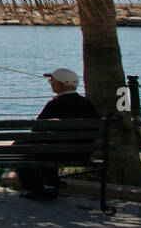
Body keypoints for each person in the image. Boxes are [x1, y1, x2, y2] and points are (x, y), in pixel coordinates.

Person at [17, 67, 98, 200]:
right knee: (47, 148)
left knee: (22, 147)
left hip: (56, 152)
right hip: (83, 153)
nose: (51, 83)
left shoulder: (54, 104)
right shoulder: (87, 103)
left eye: (52, 81)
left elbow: (37, 129)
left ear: (61, 84)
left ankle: (34, 188)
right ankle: (50, 185)